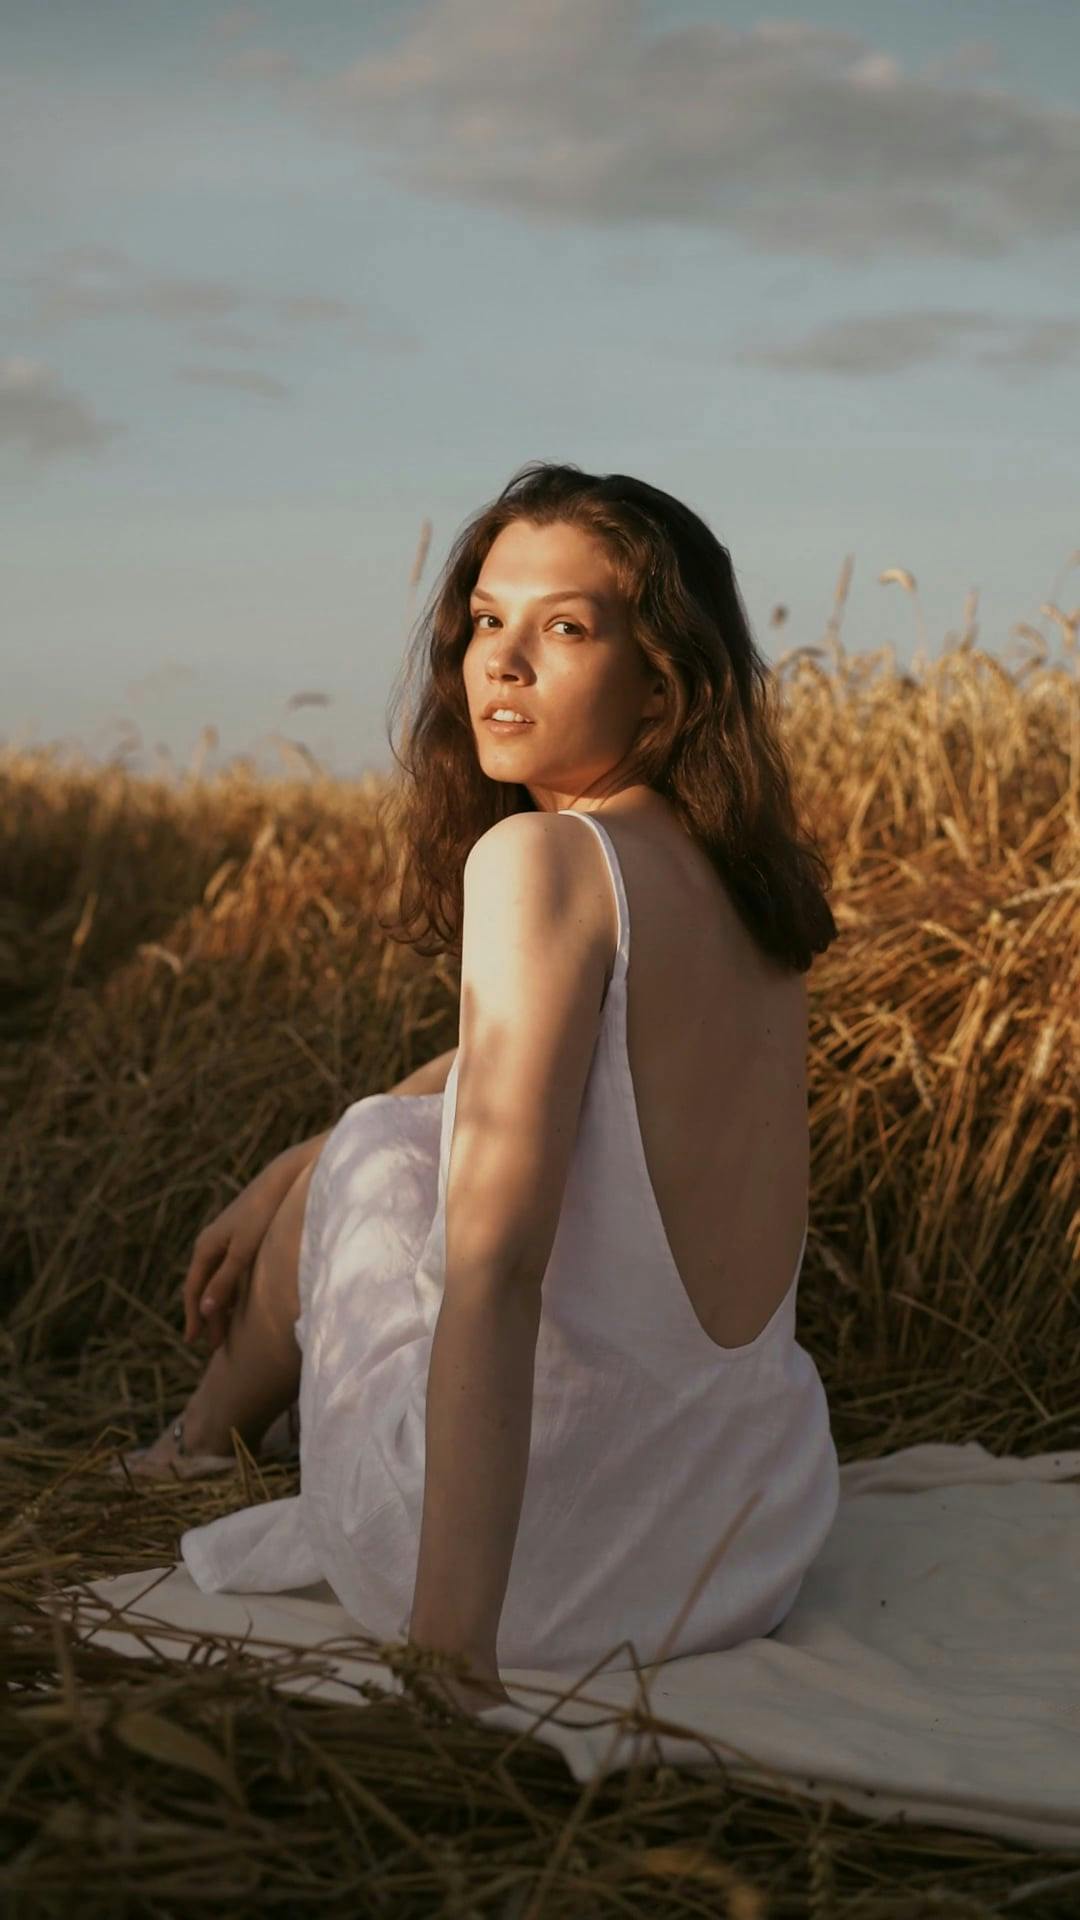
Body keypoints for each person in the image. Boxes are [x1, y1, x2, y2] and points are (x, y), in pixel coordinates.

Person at [120, 460, 841, 1704]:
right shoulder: (744, 888)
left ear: (661, 673)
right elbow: (557, 1067)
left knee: (381, 1147)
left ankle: (191, 1448)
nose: (502, 664)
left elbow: (492, 1270)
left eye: (566, 627)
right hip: (742, 1546)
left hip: (550, 1582)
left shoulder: (540, 857)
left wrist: (453, 1659)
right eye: (487, 622)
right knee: (377, 1131)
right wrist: (297, 1165)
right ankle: (201, 1435)